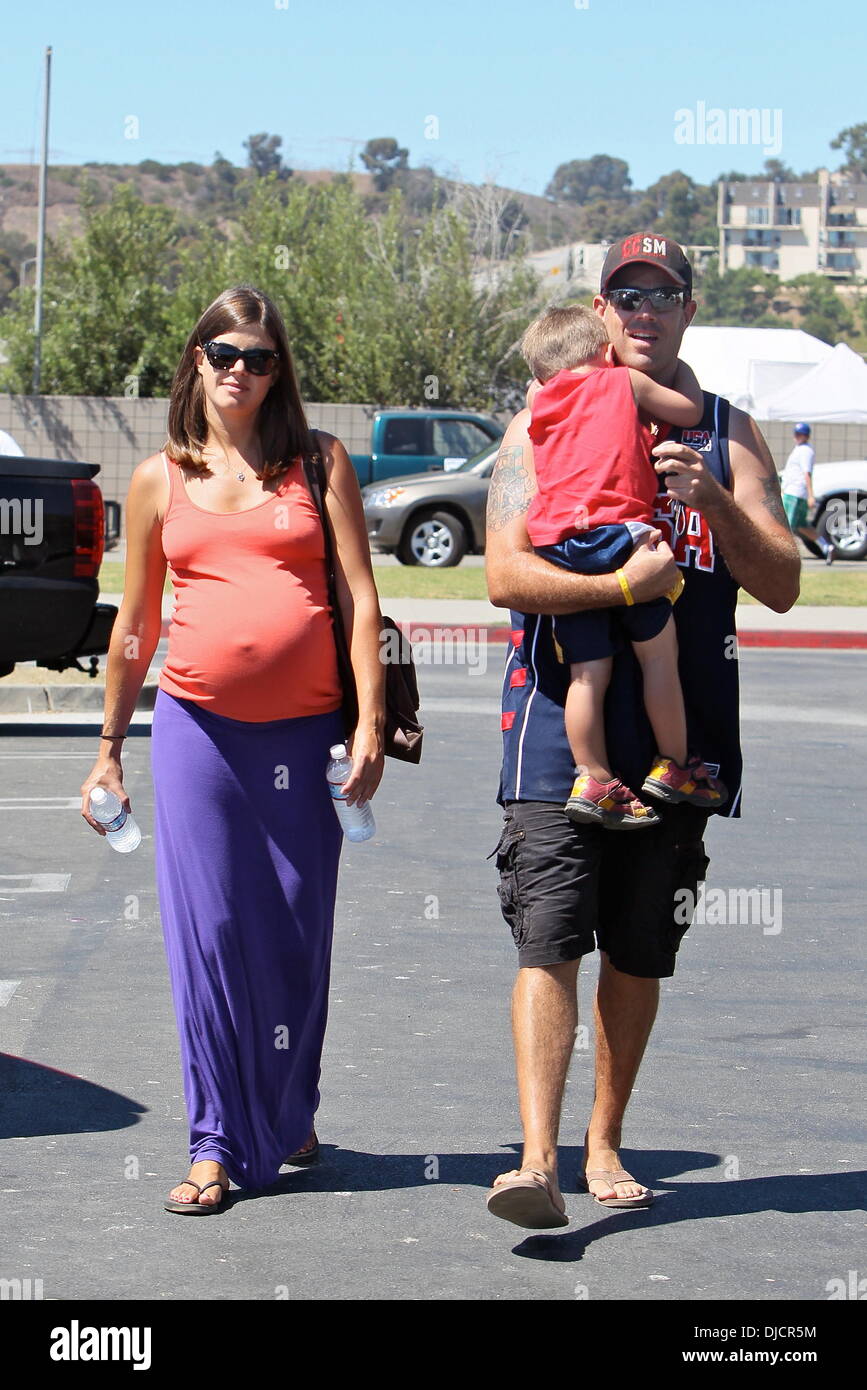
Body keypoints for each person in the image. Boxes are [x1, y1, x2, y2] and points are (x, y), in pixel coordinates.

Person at [484, 233, 800, 1230]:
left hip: (678, 753)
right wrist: (618, 585)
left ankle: (604, 1140)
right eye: (627, 293)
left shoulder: (727, 433)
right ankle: (535, 1160)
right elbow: (504, 573)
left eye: (662, 294)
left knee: (637, 951)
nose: (643, 311)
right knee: (549, 935)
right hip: (555, 736)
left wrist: (713, 500)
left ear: (689, 309)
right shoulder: (541, 417)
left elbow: (785, 581)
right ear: (602, 305)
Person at [80, 285, 385, 1212]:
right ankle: (212, 1140)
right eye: (224, 354)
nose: (240, 372)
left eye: (258, 357)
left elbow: (361, 600)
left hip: (308, 738)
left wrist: (370, 723)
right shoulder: (157, 477)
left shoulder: (319, 462)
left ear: (278, 368)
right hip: (197, 735)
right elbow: (134, 624)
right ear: (196, 362)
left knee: (294, 936)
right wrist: (108, 748)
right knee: (208, 939)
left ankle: (289, 1108)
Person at [521, 304, 727, 829]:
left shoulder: (538, 401)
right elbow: (686, 408)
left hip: (561, 546)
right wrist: (681, 372)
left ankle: (592, 776)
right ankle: (676, 766)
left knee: (588, 674)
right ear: (601, 349)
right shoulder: (624, 383)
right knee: (660, 658)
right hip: (621, 537)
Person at [780, 423, 833, 564]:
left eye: (800, 434)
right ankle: (826, 546)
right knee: (800, 526)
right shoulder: (800, 449)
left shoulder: (805, 451)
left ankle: (786, 554)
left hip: (795, 492)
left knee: (786, 525)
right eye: (796, 434)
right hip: (794, 491)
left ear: (806, 435)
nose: (797, 437)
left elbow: (807, 473)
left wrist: (810, 494)